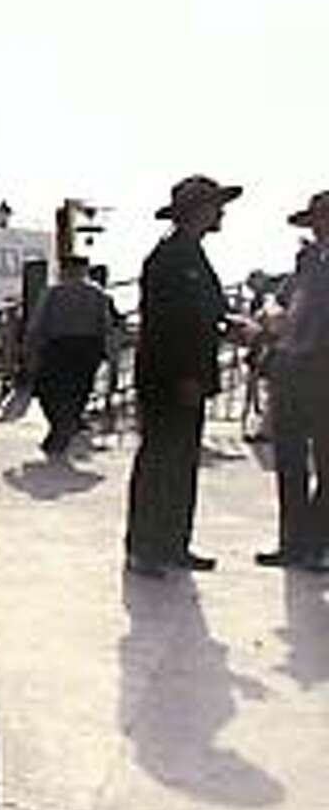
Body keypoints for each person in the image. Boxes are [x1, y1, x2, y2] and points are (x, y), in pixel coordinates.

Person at [123, 174, 244, 577]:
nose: (221, 213)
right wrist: (185, 376)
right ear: (198, 211)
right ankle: (144, 547)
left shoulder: (190, 253)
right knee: (160, 460)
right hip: (169, 379)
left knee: (181, 461)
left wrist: (229, 324)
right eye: (215, 206)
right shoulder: (169, 257)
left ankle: (173, 543)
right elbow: (169, 326)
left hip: (185, 378)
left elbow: (204, 312)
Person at [255, 190, 329, 570]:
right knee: (290, 459)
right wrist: (271, 311)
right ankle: (294, 542)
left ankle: (317, 542)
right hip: (292, 365)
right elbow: (281, 298)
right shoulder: (307, 260)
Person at [24, 254, 118, 458]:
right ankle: (65, 427)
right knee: (78, 392)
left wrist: (29, 350)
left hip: (57, 347)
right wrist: (111, 356)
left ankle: (59, 428)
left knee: (49, 391)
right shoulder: (99, 295)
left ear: (63, 270)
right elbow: (106, 326)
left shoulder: (52, 292)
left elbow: (37, 324)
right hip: (88, 348)